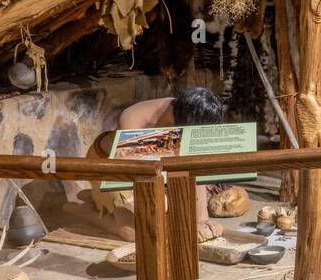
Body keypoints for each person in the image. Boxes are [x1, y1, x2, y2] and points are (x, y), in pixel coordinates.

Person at [88, 87, 227, 241]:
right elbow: (135, 169)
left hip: (151, 169)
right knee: (134, 232)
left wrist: (201, 219)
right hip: (112, 165)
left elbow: (194, 165)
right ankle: (80, 210)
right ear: (186, 117)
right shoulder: (133, 117)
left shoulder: (187, 120)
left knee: (163, 218)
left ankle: (98, 202)